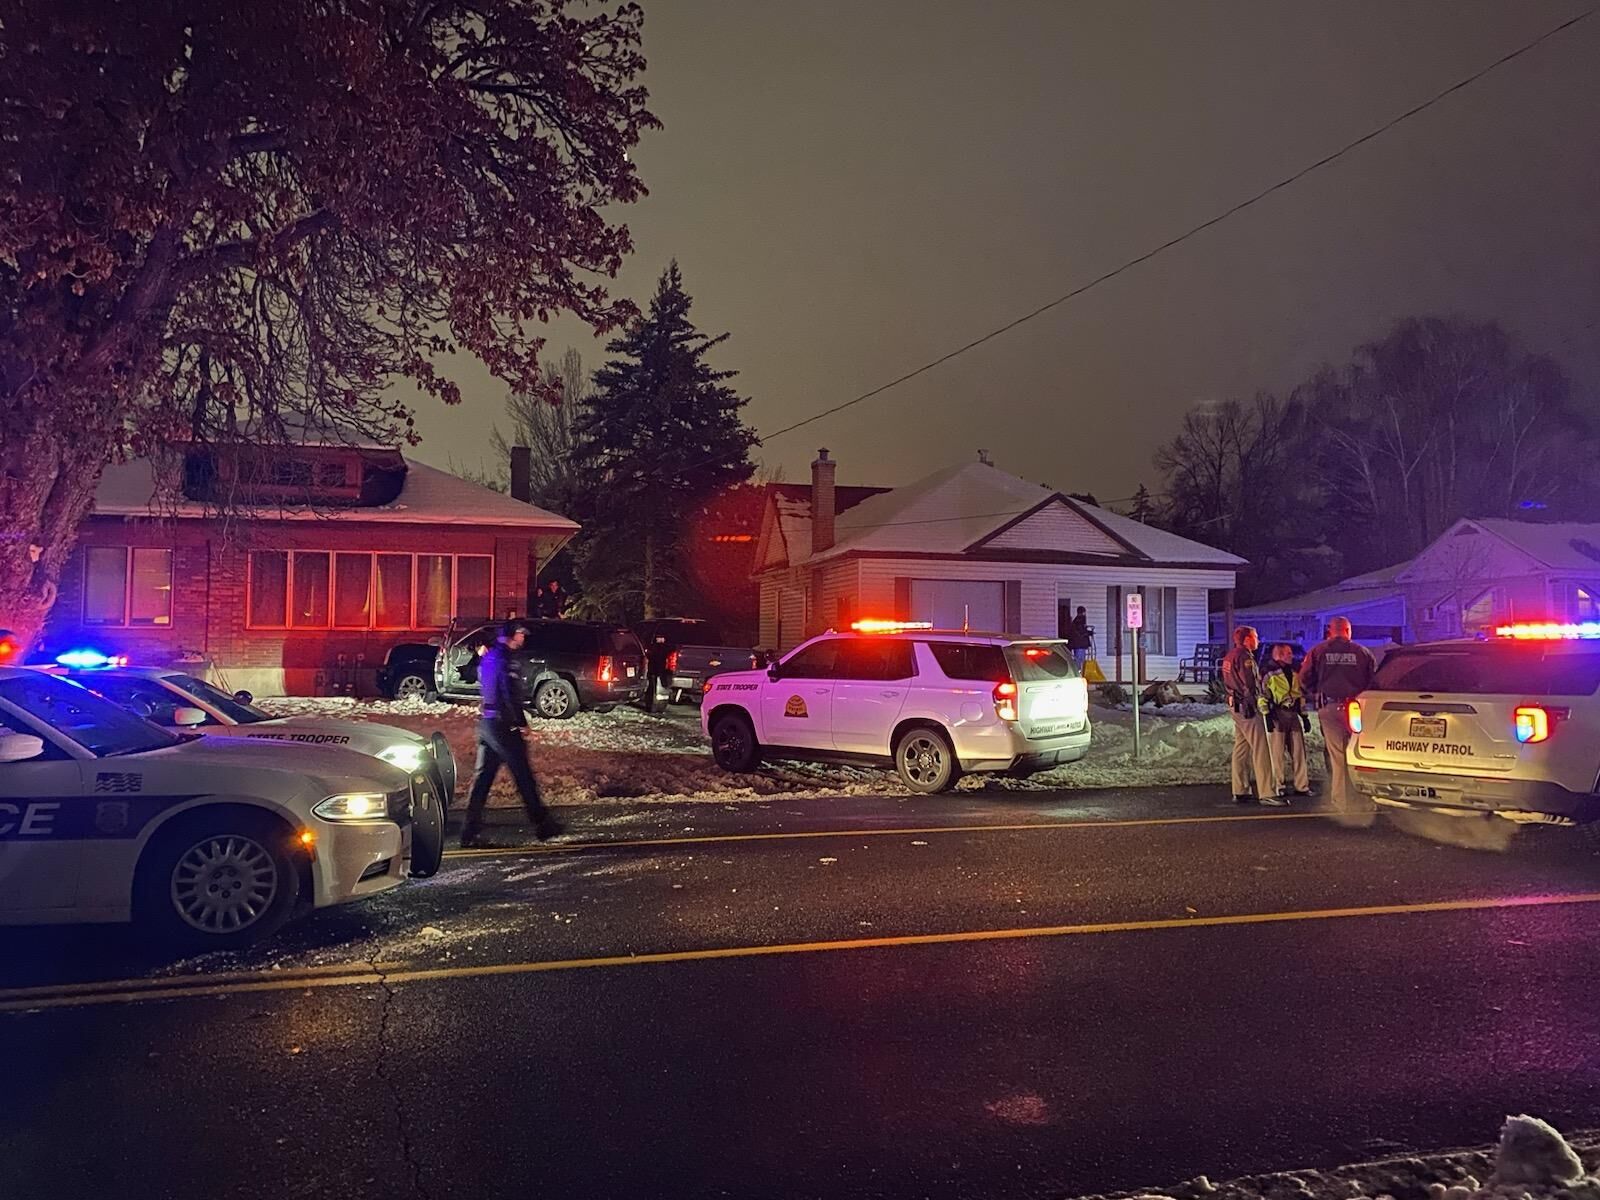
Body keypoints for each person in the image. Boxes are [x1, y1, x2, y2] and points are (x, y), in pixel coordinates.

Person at [459, 620, 563, 848]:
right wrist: (521, 722)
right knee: (523, 775)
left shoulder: (489, 657)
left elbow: (480, 682)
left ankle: (469, 830)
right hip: (503, 725)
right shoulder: (505, 659)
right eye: (519, 634)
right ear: (508, 635)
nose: (522, 639)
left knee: (483, 778)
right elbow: (508, 693)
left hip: (487, 722)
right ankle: (543, 823)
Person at [1299, 615, 1378, 826]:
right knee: (1360, 752)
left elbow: (1304, 678)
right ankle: (1363, 797)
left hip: (1329, 706)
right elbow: (1373, 680)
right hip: (1357, 708)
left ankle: (1341, 802)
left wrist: (1315, 693)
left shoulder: (1318, 651)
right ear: (1348, 630)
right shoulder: (1363, 653)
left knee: (1337, 755)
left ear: (1330, 630)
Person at [1220, 625, 1278, 805]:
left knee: (1241, 748)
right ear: (1246, 640)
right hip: (1247, 708)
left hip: (1235, 706)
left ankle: (1240, 789)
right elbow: (1250, 684)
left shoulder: (1229, 656)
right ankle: (1267, 792)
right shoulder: (1245, 657)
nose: (1258, 640)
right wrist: (1257, 703)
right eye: (1255, 637)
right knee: (1261, 749)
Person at [1262, 642, 1311, 798]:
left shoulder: (1294, 671)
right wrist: (1267, 715)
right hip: (1277, 713)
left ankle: (1302, 786)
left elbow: (1299, 696)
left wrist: (1304, 716)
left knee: (1299, 752)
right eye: (1288, 653)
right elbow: (1262, 695)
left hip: (1292, 714)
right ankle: (1279, 786)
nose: (1292, 656)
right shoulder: (1268, 672)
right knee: (1277, 754)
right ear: (1279, 655)